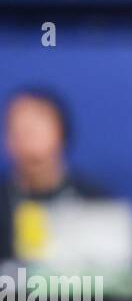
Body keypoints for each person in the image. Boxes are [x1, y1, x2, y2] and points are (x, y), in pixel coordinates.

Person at [1, 89, 106, 262]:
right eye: (16, 129)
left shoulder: (96, 203)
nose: (26, 139)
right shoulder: (5, 203)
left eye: (35, 128)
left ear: (61, 132)